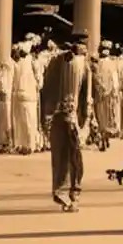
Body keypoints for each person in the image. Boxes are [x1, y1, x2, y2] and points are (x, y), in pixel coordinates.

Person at [41, 33, 92, 212]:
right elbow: (86, 97)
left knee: (65, 156)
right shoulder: (69, 63)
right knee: (71, 156)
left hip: (62, 116)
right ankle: (70, 192)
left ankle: (65, 191)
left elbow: (46, 89)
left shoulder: (65, 63)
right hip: (66, 116)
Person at [9, 39, 41, 155]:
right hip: (20, 95)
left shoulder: (30, 62)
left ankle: (29, 145)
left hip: (27, 96)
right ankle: (22, 145)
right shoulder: (17, 63)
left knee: (28, 122)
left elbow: (38, 78)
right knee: (21, 122)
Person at [92, 42, 120, 150]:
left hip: (101, 95)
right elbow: (115, 80)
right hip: (109, 95)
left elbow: (96, 80)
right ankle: (105, 138)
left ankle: (103, 138)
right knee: (107, 117)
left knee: (101, 117)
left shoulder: (97, 64)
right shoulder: (111, 64)